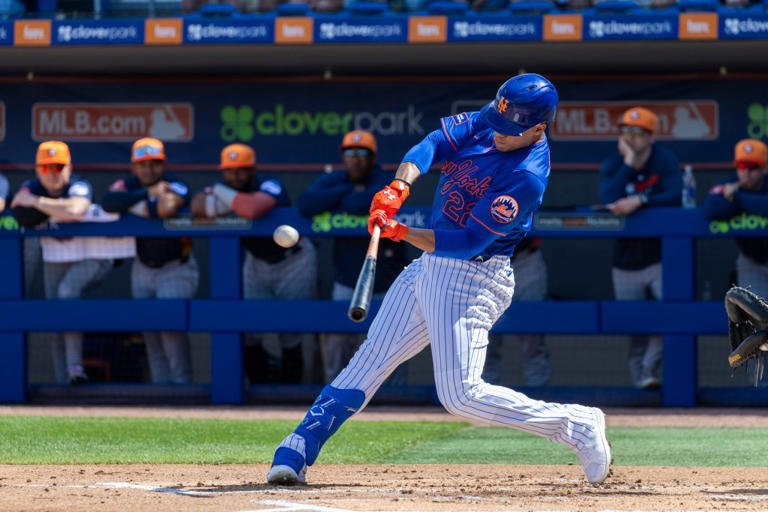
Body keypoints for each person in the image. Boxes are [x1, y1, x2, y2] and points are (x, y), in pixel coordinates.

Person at [267, 74, 611, 487]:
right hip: (431, 268)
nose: (497, 134)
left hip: (474, 277)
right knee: (370, 359)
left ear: (539, 128)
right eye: (497, 124)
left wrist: (400, 232)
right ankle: (299, 446)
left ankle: (576, 424)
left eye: (509, 132)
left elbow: (466, 243)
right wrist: (398, 186)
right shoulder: (493, 118)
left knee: (460, 395)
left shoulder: (527, 175)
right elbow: (431, 144)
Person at [190, 143, 317, 383]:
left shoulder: (268, 183)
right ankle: (262, 385)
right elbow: (197, 206)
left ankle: (290, 391)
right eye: (229, 171)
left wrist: (220, 194)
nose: (235, 176)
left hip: (293, 260)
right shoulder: (225, 188)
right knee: (247, 328)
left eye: (241, 170)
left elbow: (251, 208)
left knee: (290, 330)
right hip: (256, 262)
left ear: (252, 170)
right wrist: (226, 199)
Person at [10, 141, 129, 384]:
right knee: (56, 317)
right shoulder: (30, 186)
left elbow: (76, 209)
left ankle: (75, 368)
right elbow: (17, 209)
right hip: (58, 255)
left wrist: (36, 202)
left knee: (67, 292)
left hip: (94, 255)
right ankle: (63, 381)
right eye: (46, 168)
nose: (52, 174)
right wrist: (48, 206)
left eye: (58, 167)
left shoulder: (79, 185)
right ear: (36, 170)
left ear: (69, 167)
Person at [297, 130, 408, 382]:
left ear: (372, 157)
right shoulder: (338, 179)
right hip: (347, 278)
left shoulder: (385, 180)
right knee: (338, 340)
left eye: (362, 154)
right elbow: (306, 204)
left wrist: (343, 197)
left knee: (392, 344)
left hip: (387, 281)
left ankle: (395, 402)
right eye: (350, 153)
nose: (355, 159)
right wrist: (347, 189)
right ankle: (335, 393)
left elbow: (359, 203)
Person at [102, 137, 198, 384]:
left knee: (170, 331)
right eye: (142, 164)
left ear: (163, 164)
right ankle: (162, 393)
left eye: (154, 164)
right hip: (142, 268)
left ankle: (183, 388)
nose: (148, 169)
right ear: (134, 166)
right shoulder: (130, 183)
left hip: (176, 267)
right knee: (150, 334)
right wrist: (146, 194)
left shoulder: (176, 183)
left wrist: (132, 203)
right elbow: (108, 202)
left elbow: (166, 208)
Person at [598, 107, 682, 390]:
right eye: (626, 131)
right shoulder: (614, 163)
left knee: (667, 315)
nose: (631, 137)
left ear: (651, 136)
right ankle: (640, 380)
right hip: (625, 259)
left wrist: (640, 200)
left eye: (638, 132)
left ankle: (650, 367)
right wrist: (630, 163)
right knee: (633, 325)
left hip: (659, 257)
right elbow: (607, 197)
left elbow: (675, 195)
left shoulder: (664, 159)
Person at [703, 139, 768, 386]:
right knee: (758, 324)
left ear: (764, 168)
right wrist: (738, 198)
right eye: (742, 166)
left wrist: (738, 198)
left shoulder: (736, 189)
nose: (746, 172)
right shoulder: (726, 184)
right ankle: (758, 385)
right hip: (752, 261)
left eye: (753, 167)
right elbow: (710, 208)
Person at [483, 236, 551, 387]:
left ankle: (538, 395)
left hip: (526, 258)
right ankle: (483, 401)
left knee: (532, 340)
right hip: (485, 261)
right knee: (484, 341)